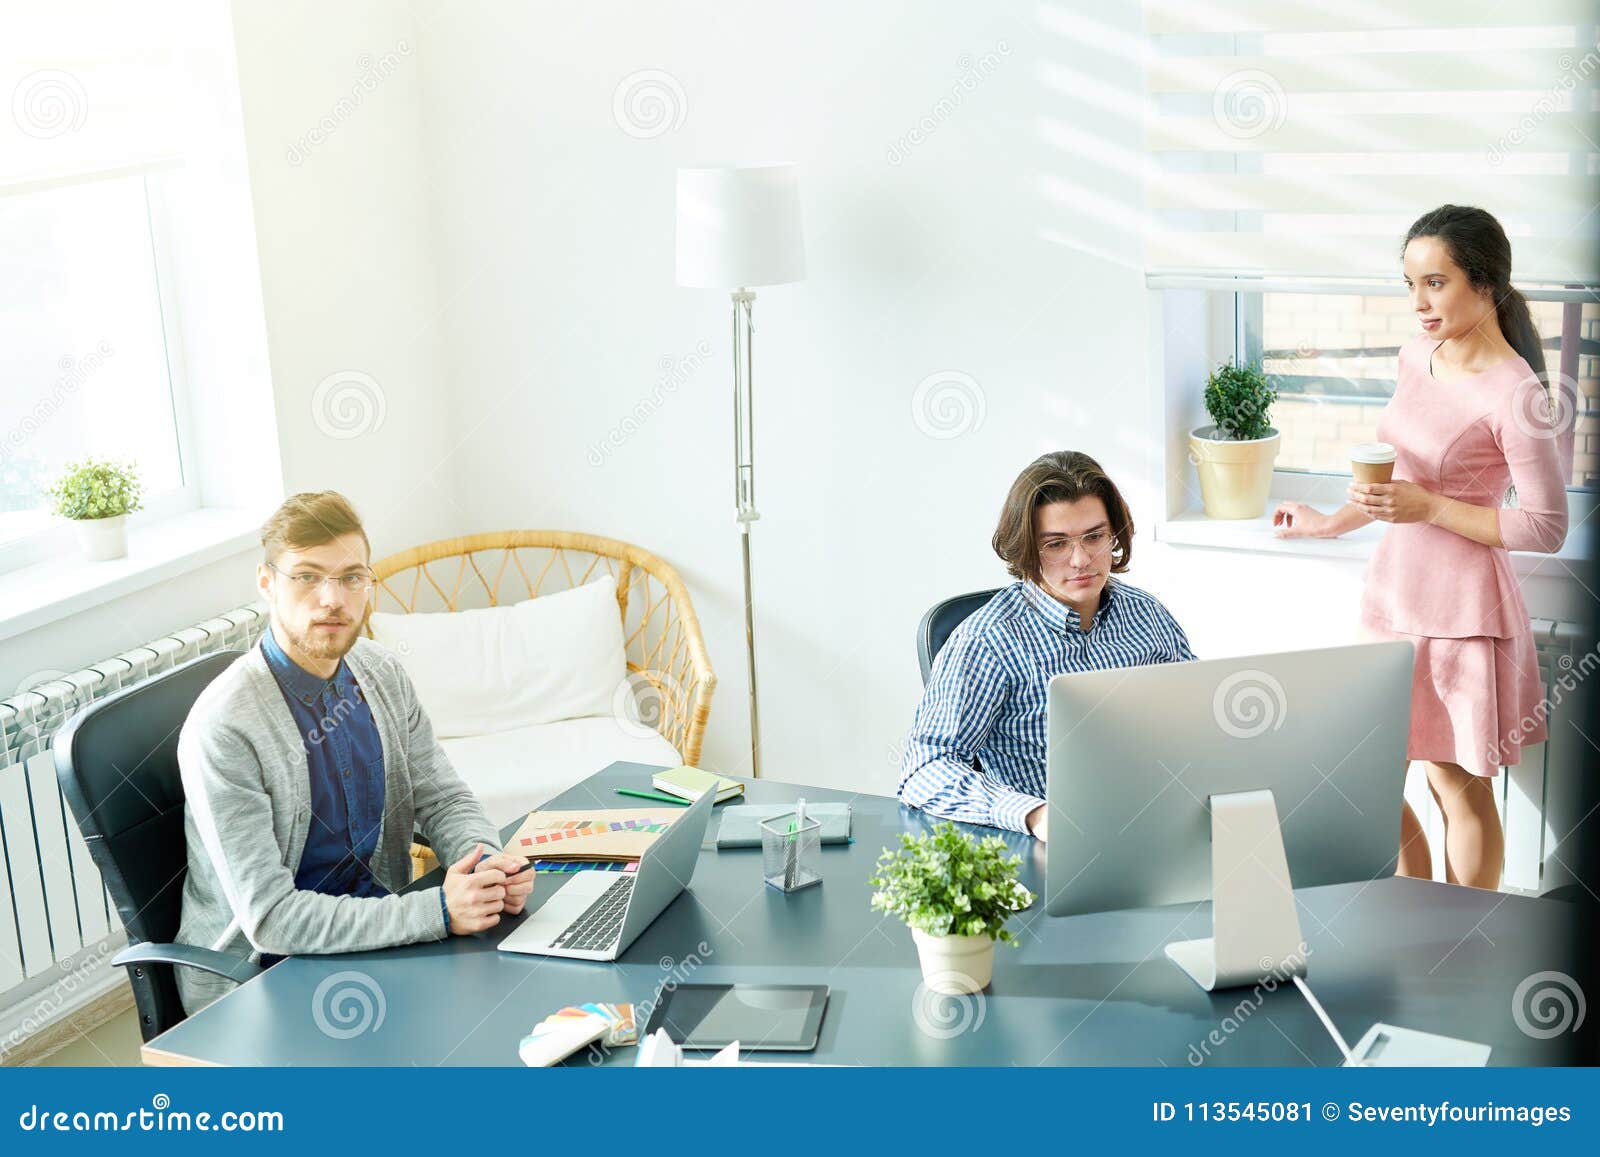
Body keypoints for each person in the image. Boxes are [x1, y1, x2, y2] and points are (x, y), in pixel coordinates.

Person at [1274, 205, 1568, 890]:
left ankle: (1466, 932)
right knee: (1367, 779)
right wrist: (1329, 522)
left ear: (1486, 283)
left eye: (1435, 283)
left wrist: (1431, 507)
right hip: (1392, 596)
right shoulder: (1417, 355)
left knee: (1454, 784)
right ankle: (1410, 912)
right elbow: (1398, 478)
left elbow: (1546, 526)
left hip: (1463, 612)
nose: (1418, 303)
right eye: (1410, 284)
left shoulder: (1516, 394)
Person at [174, 491, 535, 1013]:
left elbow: (443, 798)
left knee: (524, 1004)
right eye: (307, 576)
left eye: (351, 577)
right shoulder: (225, 726)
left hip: (377, 929)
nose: (332, 599)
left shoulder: (380, 671)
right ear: (267, 582)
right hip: (262, 977)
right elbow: (271, 919)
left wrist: (486, 867)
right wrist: (436, 911)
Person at [897, 451, 1195, 840]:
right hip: (1057, 847)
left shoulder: (1145, 613)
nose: (1081, 559)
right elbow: (924, 770)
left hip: (1162, 825)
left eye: (1094, 537)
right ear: (1026, 548)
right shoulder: (988, 641)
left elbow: (1198, 717)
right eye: (1056, 544)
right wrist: (1035, 815)